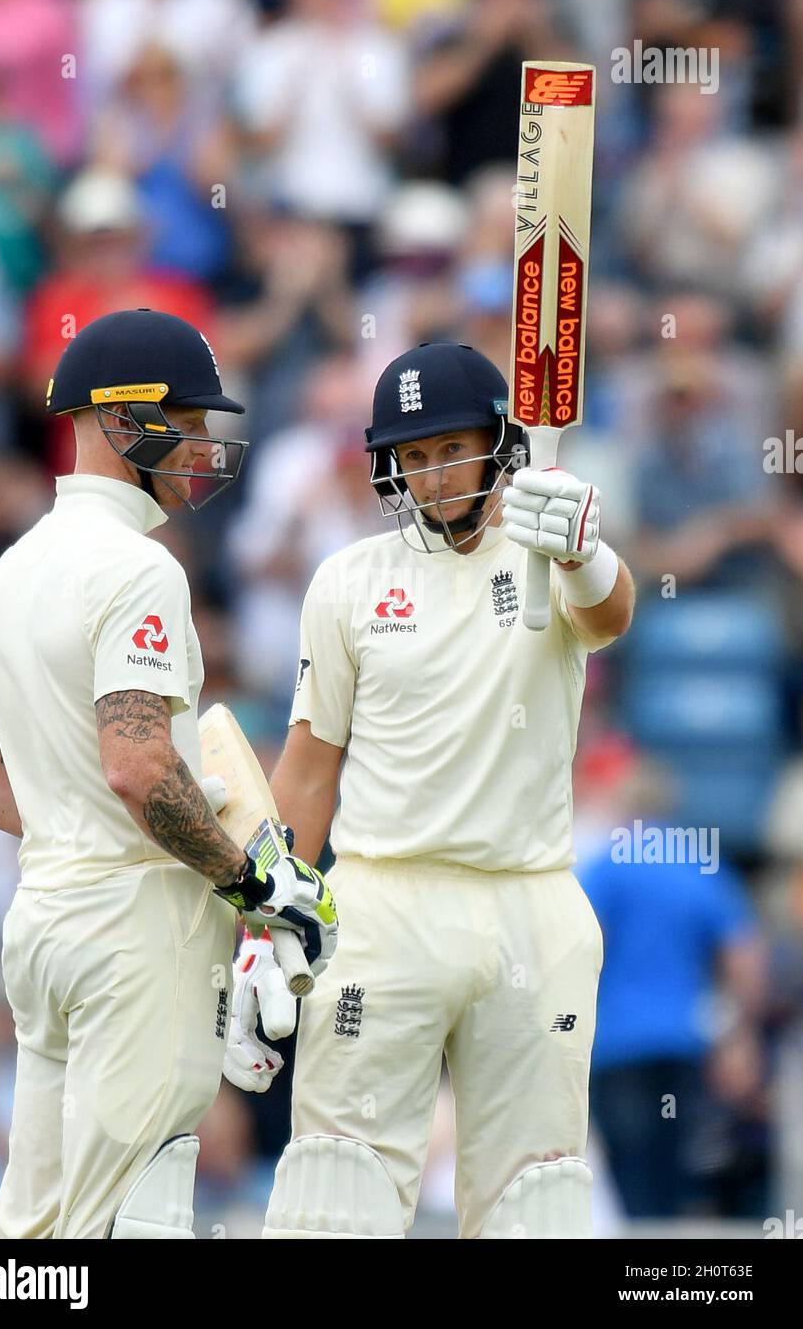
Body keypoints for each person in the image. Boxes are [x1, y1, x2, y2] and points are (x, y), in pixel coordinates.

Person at [0, 307, 336, 1239]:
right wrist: (253, 883)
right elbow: (137, 771)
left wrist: (82, 824)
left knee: (37, 1233)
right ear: (124, 422)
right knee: (134, 1215)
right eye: (190, 422)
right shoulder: (139, 569)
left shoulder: (11, 571)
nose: (204, 446)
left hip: (42, 925)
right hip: (134, 934)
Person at [256, 340, 635, 1239]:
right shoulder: (350, 581)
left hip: (528, 902)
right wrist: (263, 914)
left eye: (452, 448)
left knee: (533, 1200)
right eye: (413, 457)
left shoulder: (550, 553)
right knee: (336, 1188)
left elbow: (610, 617)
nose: (432, 475)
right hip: (383, 902)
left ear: (501, 442)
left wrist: (581, 552)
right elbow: (310, 764)